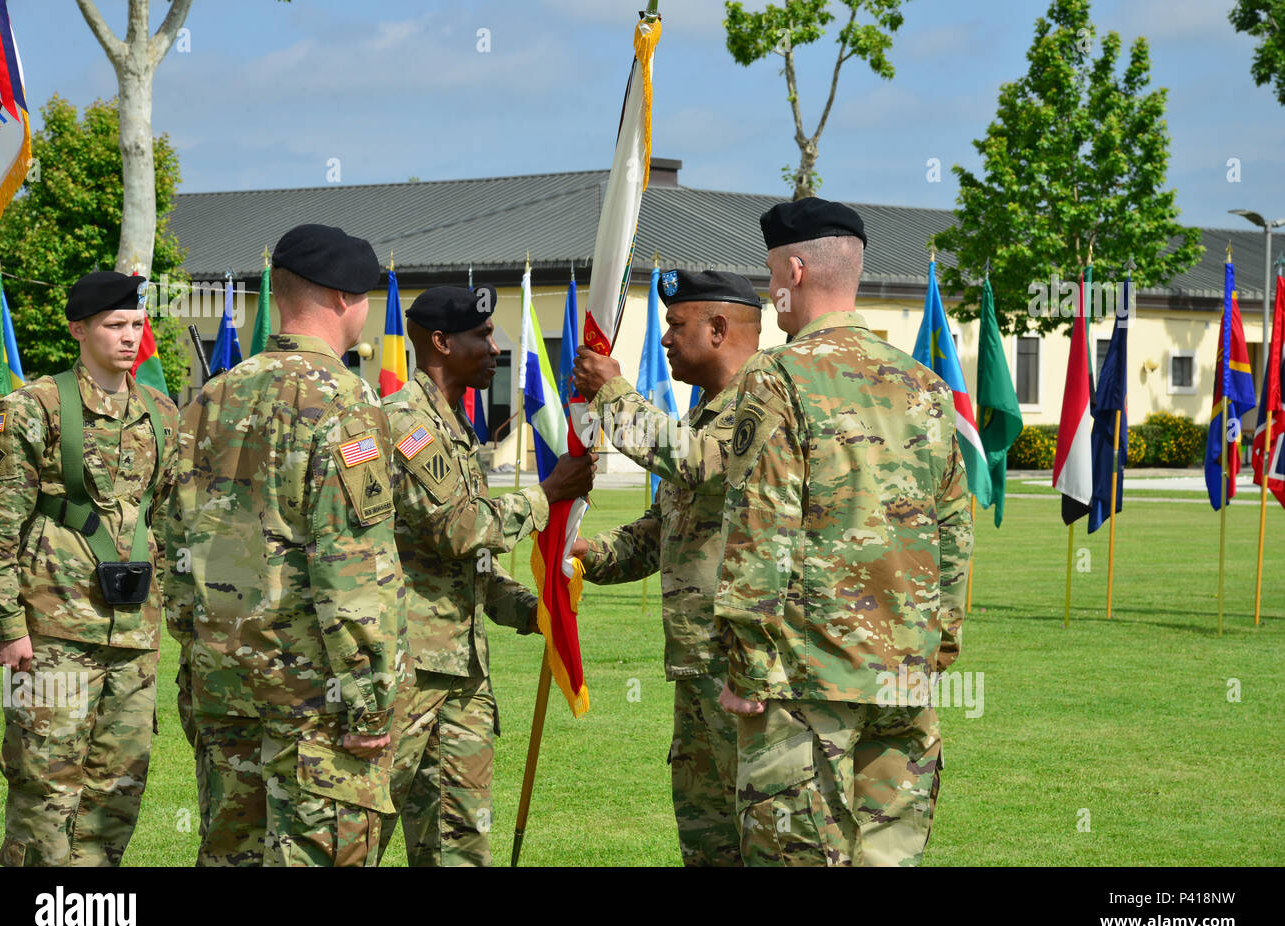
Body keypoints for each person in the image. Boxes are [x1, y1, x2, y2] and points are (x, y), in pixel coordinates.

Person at [714, 197, 972, 867]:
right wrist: (936, 647)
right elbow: (953, 530)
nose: (770, 286)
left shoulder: (777, 377)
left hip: (804, 682)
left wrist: (748, 667)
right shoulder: (925, 386)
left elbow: (759, 529)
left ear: (795, 270)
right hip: (903, 682)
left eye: (771, 270)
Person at [165, 224, 401, 867]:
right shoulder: (342, 401)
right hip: (314, 704)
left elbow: (174, 548)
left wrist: (199, 658)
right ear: (342, 299)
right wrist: (372, 703)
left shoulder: (213, 395)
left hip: (224, 688)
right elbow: (353, 573)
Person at [379, 284, 595, 867]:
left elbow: (467, 562)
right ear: (442, 343)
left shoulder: (454, 427)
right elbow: (459, 529)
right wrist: (549, 495)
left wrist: (531, 609)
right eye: (483, 335)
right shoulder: (406, 424)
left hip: (461, 673)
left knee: (459, 844)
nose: (496, 348)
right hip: (404, 673)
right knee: (359, 836)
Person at [569, 269, 761, 866]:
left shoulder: (763, 400)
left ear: (719, 329)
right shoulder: (705, 409)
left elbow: (697, 463)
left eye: (676, 326)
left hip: (746, 666)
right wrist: (585, 555)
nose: (665, 339)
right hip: (698, 660)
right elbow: (664, 529)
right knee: (708, 839)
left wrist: (612, 393)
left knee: (764, 832)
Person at [0, 271, 178, 867]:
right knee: (46, 792)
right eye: (115, 325)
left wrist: (171, 609)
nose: (129, 337)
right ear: (79, 329)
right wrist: (7, 626)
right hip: (52, 633)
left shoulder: (160, 411)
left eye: (136, 325)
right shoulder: (32, 407)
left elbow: (169, 519)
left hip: (134, 635)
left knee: (116, 793)